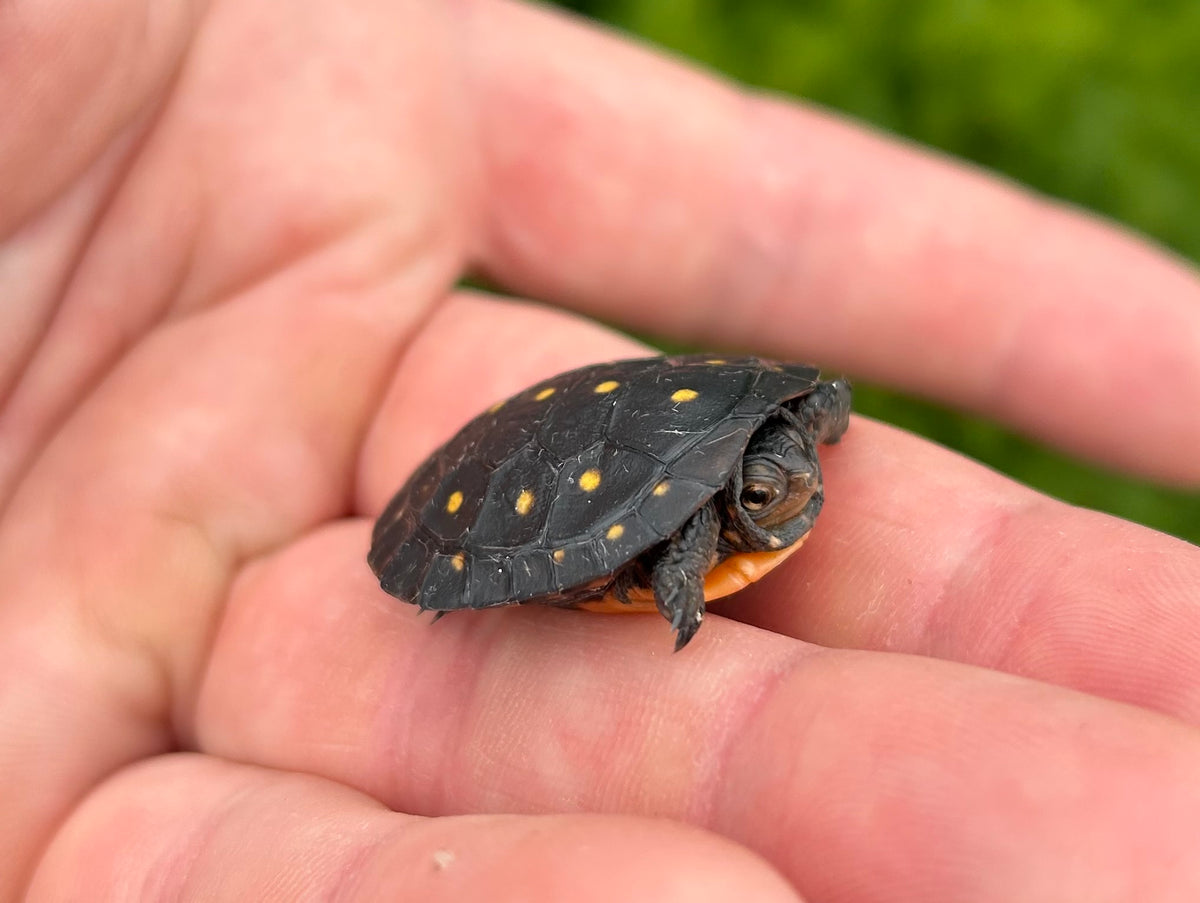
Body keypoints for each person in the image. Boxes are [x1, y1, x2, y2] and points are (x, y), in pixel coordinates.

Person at [3, 1, 1199, 899]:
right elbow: (665, 524)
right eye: (771, 486)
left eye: (779, 480)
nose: (793, 491)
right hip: (511, 478)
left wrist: (801, 420)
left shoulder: (779, 455)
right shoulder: (694, 531)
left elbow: (801, 416)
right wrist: (677, 577)